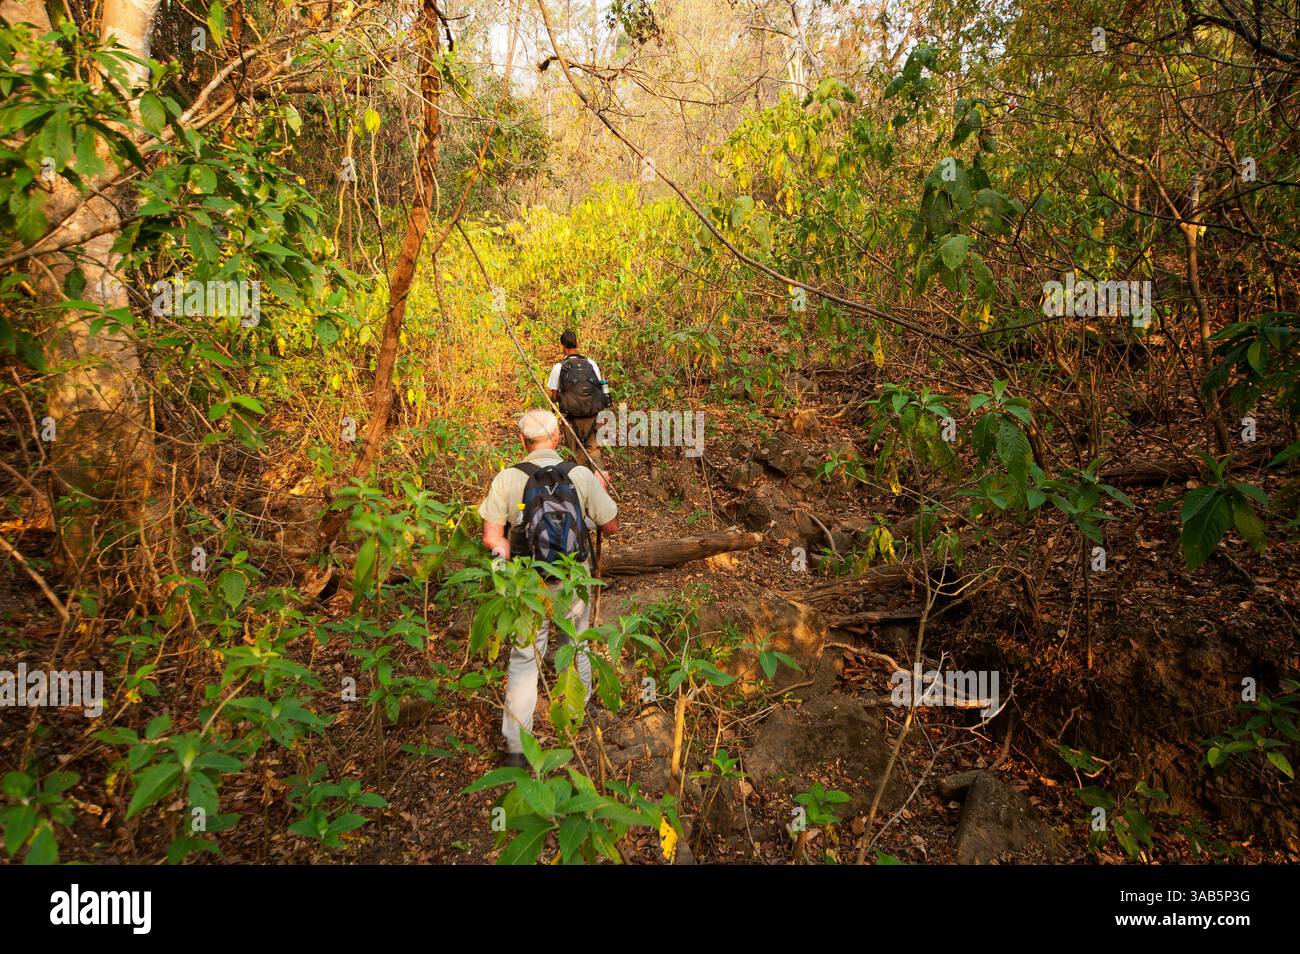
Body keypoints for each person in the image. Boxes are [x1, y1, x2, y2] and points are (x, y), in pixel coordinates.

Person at [478, 409, 619, 767]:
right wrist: (596, 488)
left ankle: (516, 748)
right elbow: (612, 526)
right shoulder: (580, 473)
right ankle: (576, 717)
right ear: (556, 439)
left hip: (529, 581)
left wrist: (508, 561)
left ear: (522, 442)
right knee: (575, 643)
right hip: (573, 577)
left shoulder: (508, 478)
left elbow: (492, 538)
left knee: (525, 658)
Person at [547, 330, 610, 460]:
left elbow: (554, 396)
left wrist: (552, 412)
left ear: (562, 346)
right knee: (593, 450)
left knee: (574, 452)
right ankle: (597, 478)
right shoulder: (591, 363)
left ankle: (578, 477)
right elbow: (599, 387)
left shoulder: (559, 367)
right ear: (577, 343)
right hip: (592, 414)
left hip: (571, 416)